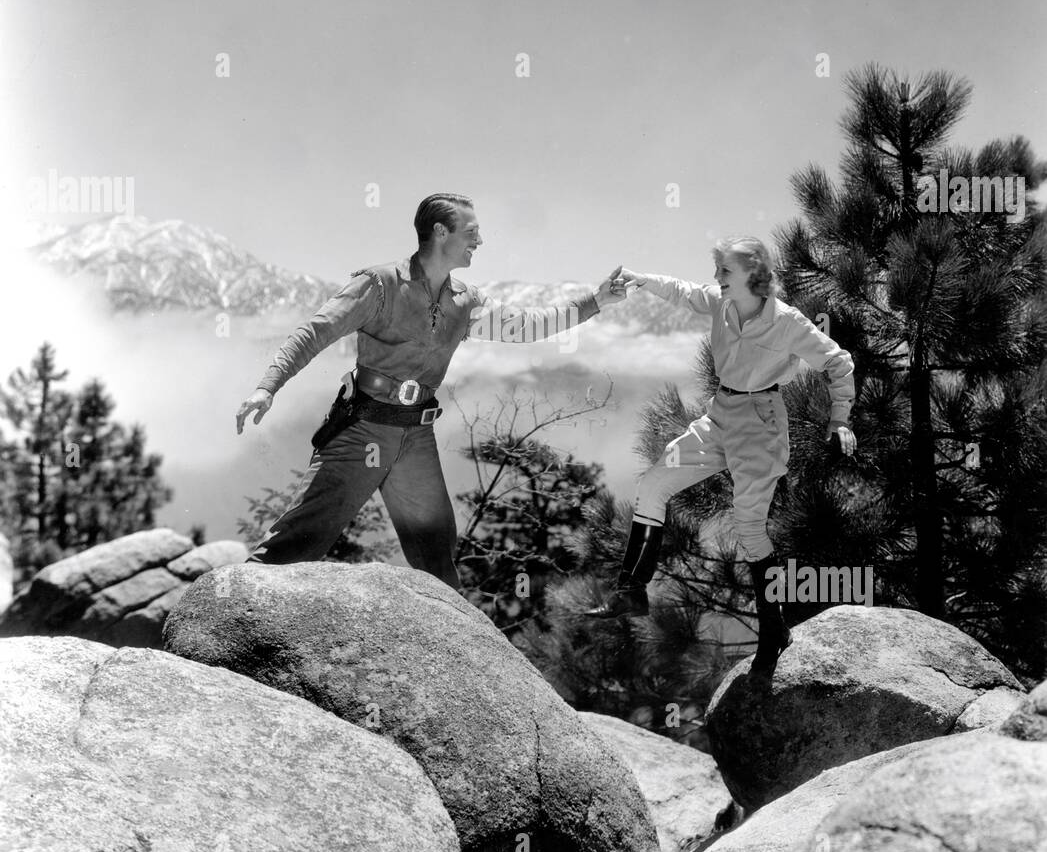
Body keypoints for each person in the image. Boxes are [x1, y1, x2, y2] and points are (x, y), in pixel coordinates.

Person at [235, 193, 626, 590]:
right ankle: (227, 616)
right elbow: (314, 332)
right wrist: (267, 387)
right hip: (362, 430)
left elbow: (527, 325)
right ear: (441, 232)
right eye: (472, 232)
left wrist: (596, 301)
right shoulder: (379, 285)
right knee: (294, 545)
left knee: (437, 564)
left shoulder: (465, 301)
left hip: (416, 436)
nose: (480, 241)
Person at [587, 237, 857, 675]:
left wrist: (839, 420)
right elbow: (681, 290)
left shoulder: (787, 322)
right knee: (653, 484)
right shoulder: (721, 303)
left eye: (725, 272)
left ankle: (774, 629)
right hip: (720, 415)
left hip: (762, 424)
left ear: (755, 274)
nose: (716, 280)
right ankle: (631, 591)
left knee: (750, 527)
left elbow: (837, 362)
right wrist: (642, 279)